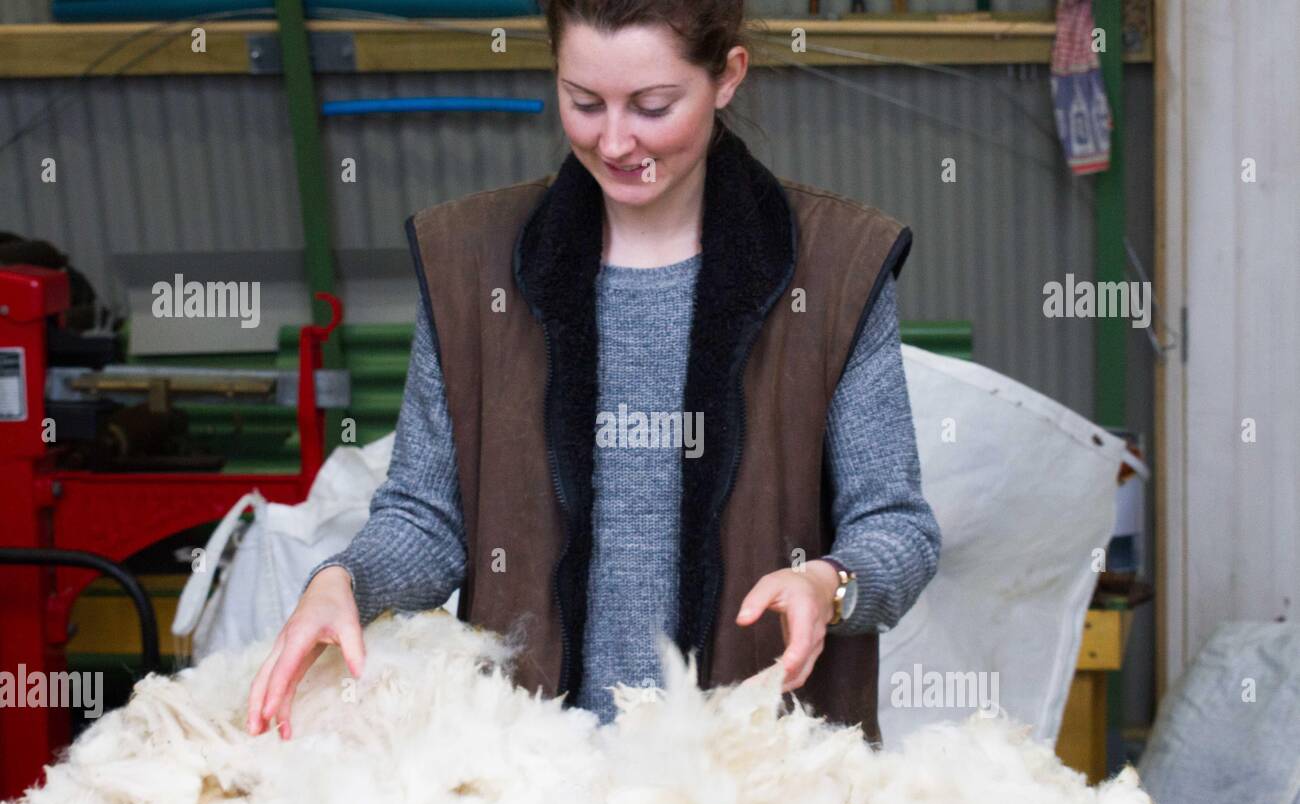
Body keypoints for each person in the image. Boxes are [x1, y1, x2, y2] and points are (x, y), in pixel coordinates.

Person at [247, 0, 940, 743]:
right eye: (583, 102)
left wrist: (827, 584)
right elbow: (427, 518)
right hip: (537, 784)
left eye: (652, 106)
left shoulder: (835, 269)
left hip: (751, 788)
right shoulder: (473, 264)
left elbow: (896, 528)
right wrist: (342, 580)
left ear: (727, 76)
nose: (614, 141)